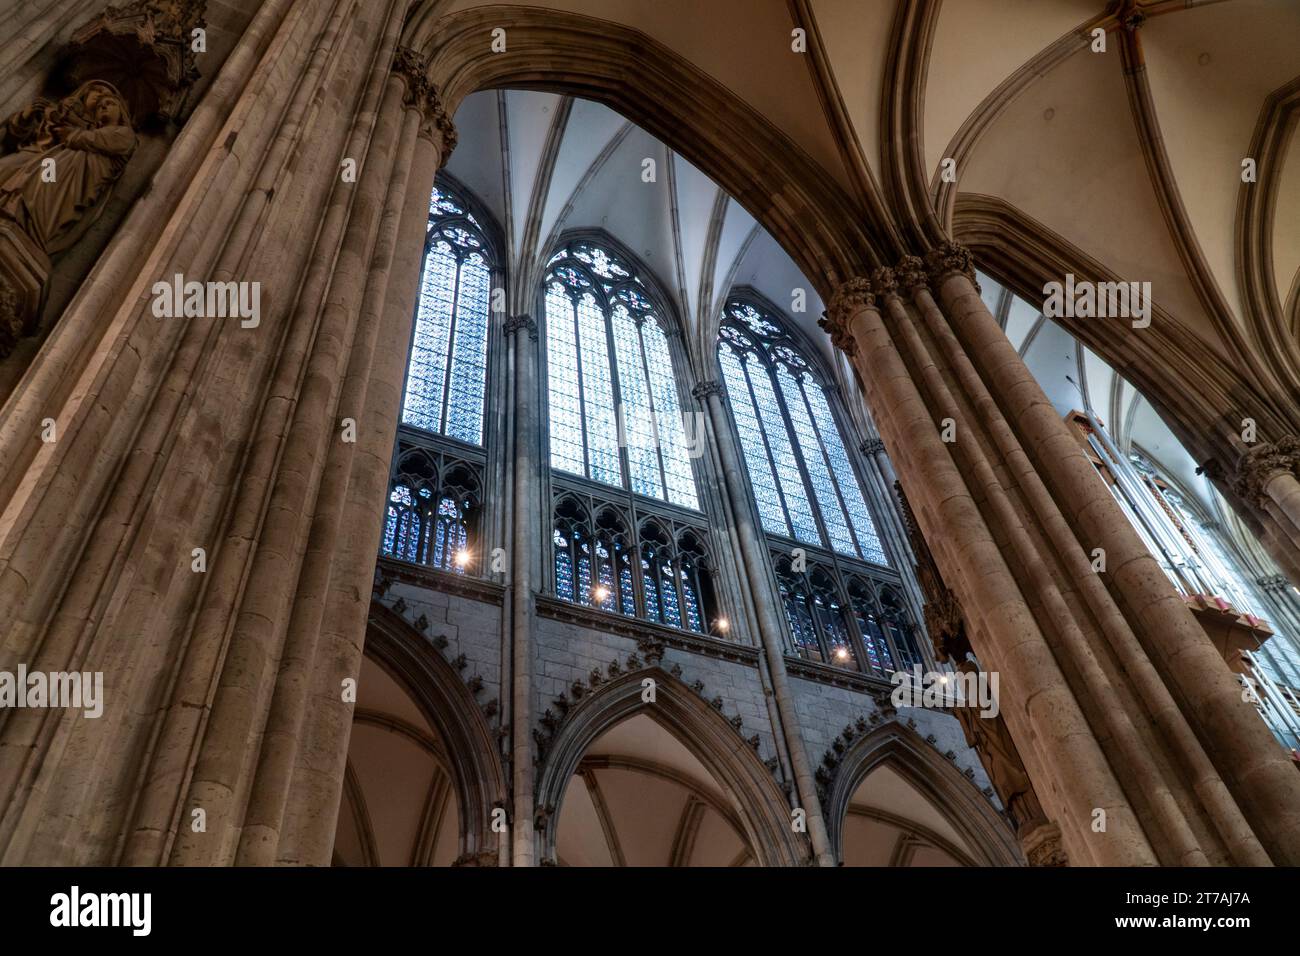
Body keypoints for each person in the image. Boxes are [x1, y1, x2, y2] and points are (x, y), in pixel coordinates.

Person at [0, 80, 136, 256]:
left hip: (65, 174)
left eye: (108, 99)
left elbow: (98, 140)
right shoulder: (61, 111)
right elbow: (14, 138)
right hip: (37, 157)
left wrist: (70, 131)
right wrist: (29, 116)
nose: (101, 97)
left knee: (41, 191)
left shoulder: (114, 134)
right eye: (97, 91)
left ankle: (23, 222)